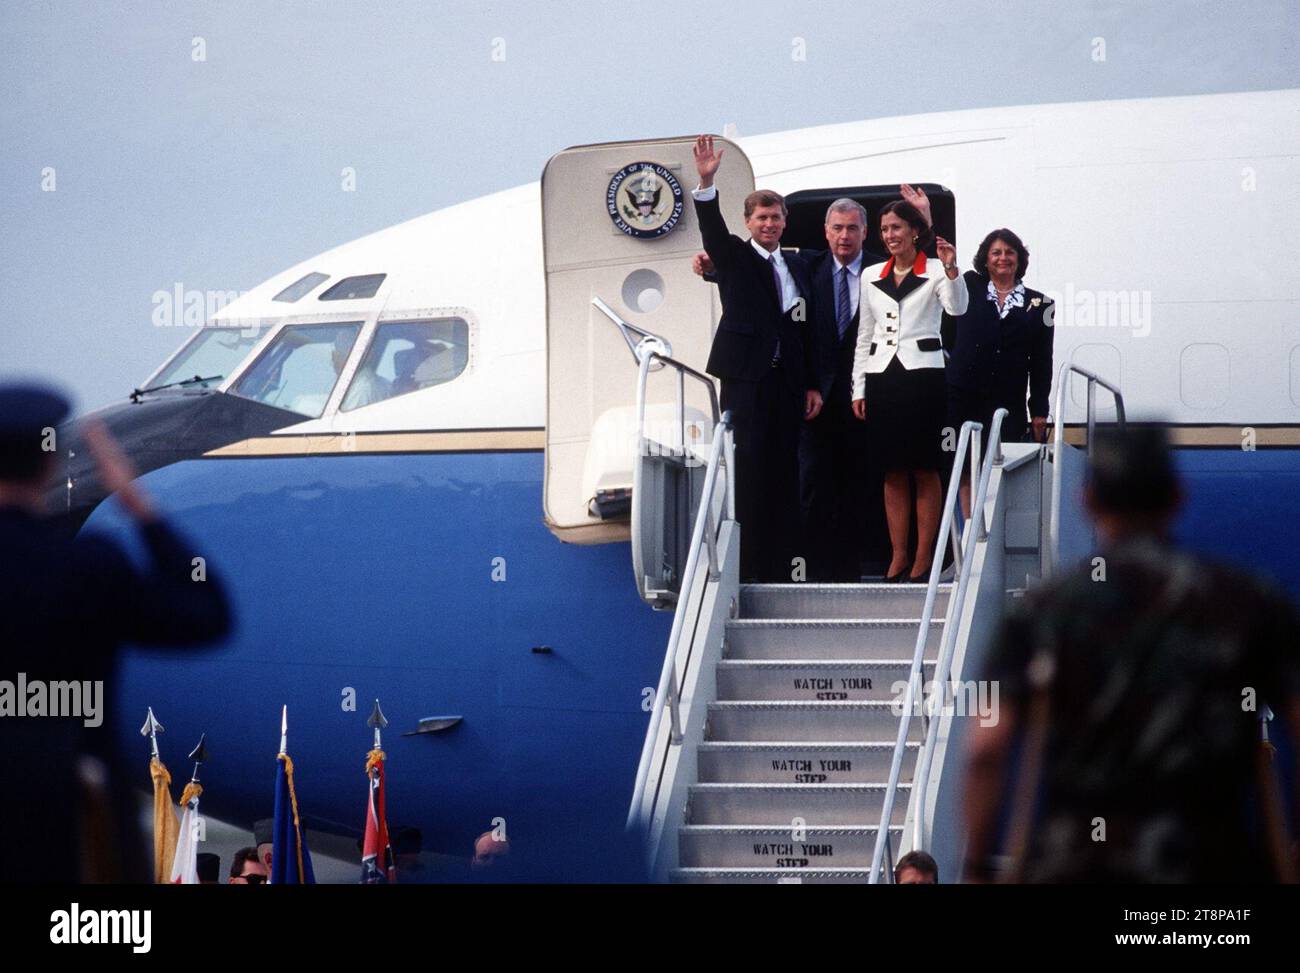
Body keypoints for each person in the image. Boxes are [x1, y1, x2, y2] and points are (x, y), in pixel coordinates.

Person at [963, 427, 1300, 883]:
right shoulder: (1248, 602)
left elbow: (986, 749)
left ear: (1088, 502)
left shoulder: (1043, 610)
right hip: (1207, 862)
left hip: (1076, 864)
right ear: (1178, 497)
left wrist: (979, 864)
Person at [0, 382, 232, 882]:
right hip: (79, 819)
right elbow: (207, 615)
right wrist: (142, 509)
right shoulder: (89, 565)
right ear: (49, 464)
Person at [690, 187, 936, 581]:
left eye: (853, 228)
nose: (844, 236)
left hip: (869, 393)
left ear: (865, 231)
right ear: (825, 231)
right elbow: (753, 273)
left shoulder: (881, 270)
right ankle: (814, 568)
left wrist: (924, 219)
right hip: (814, 395)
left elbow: (927, 271)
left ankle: (869, 563)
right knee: (811, 483)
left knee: (868, 479)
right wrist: (713, 268)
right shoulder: (806, 266)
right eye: (837, 228)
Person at [690, 134, 820, 582]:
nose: (769, 224)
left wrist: (809, 383)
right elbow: (711, 230)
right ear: (748, 222)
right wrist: (707, 183)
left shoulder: (798, 265)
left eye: (776, 217)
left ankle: (784, 565)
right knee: (748, 469)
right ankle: (748, 566)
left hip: (787, 382)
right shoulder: (732, 257)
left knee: (786, 471)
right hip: (747, 379)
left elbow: (801, 329)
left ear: (785, 222)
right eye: (761, 217)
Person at [851, 201, 967, 582]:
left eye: (897, 227)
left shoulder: (935, 269)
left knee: (923, 466)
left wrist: (951, 268)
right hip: (883, 376)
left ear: (915, 231)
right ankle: (898, 555)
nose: (890, 236)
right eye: (884, 229)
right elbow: (864, 334)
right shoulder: (870, 275)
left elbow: (957, 307)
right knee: (891, 469)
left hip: (922, 377)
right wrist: (859, 386)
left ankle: (924, 556)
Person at [941, 228, 1054, 515]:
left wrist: (1039, 409)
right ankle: (970, 533)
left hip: (1008, 400)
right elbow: (947, 335)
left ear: (1019, 258)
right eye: (996, 252)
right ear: (986, 259)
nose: (1003, 258)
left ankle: (993, 536)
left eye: (1009, 252)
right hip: (964, 394)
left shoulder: (1042, 304)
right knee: (965, 465)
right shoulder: (968, 285)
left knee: (1000, 465)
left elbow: (1041, 361)